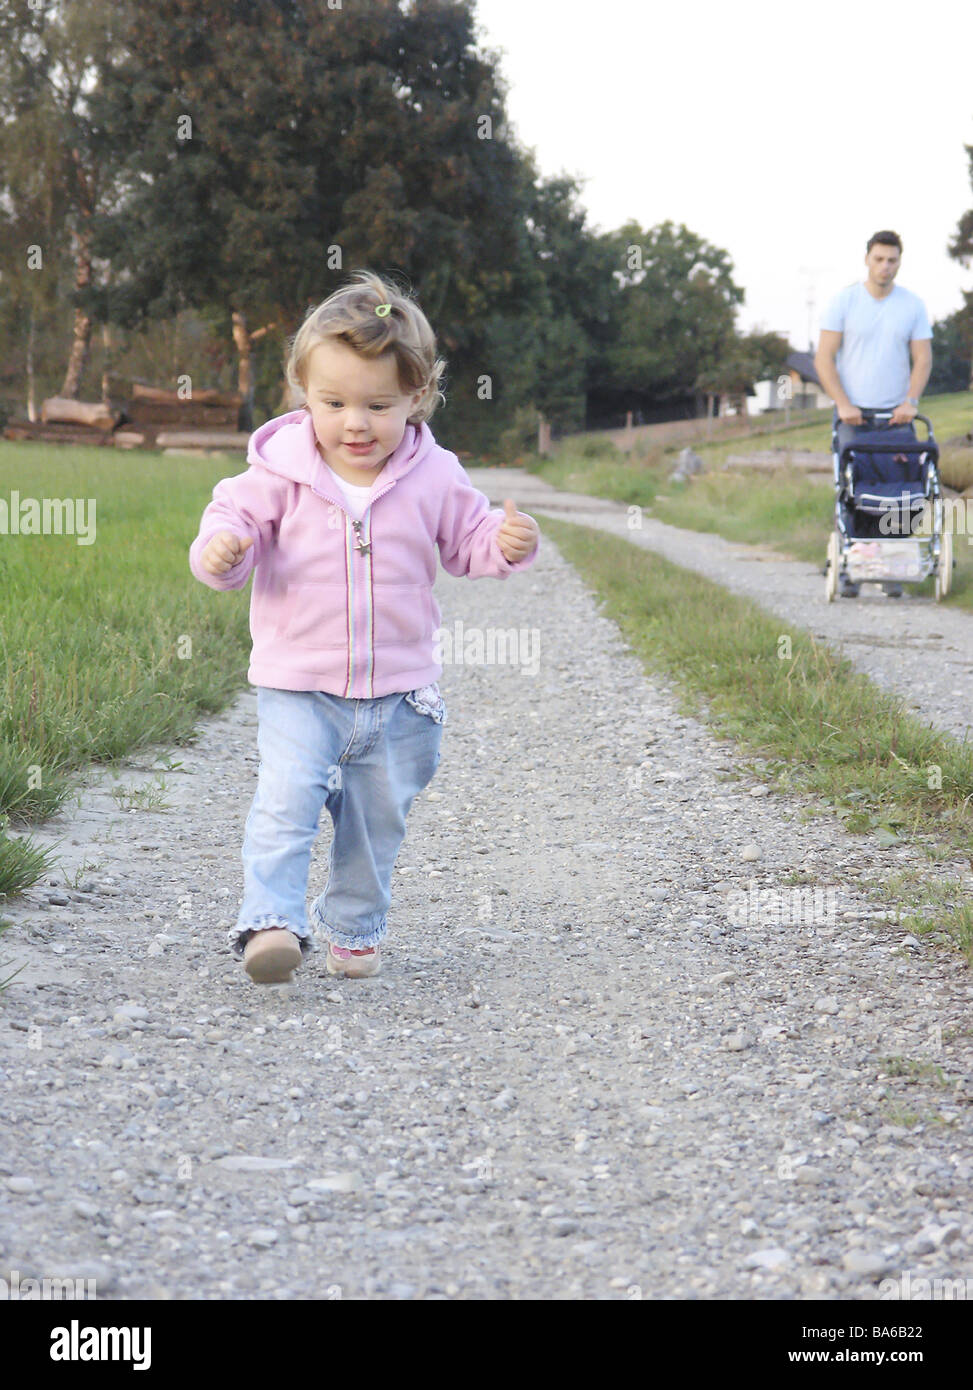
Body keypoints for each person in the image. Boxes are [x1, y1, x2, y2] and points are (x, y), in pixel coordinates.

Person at [188, 271, 540, 983]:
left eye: (379, 405)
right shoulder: (277, 473)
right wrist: (222, 553)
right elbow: (231, 525)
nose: (356, 423)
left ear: (417, 398)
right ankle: (270, 924)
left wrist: (502, 545)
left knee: (375, 825)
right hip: (299, 687)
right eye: (335, 402)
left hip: (399, 697)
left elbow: (467, 539)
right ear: (302, 395)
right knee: (284, 805)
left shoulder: (433, 474)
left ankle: (352, 927)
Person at [814, 230, 933, 596]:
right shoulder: (844, 302)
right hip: (854, 416)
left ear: (900, 261)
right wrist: (843, 403)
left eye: (892, 260)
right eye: (879, 259)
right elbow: (823, 358)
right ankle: (853, 565)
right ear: (867, 259)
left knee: (902, 489)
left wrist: (910, 401)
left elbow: (923, 358)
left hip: (896, 417)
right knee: (852, 487)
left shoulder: (912, 305)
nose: (885, 266)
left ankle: (891, 564)